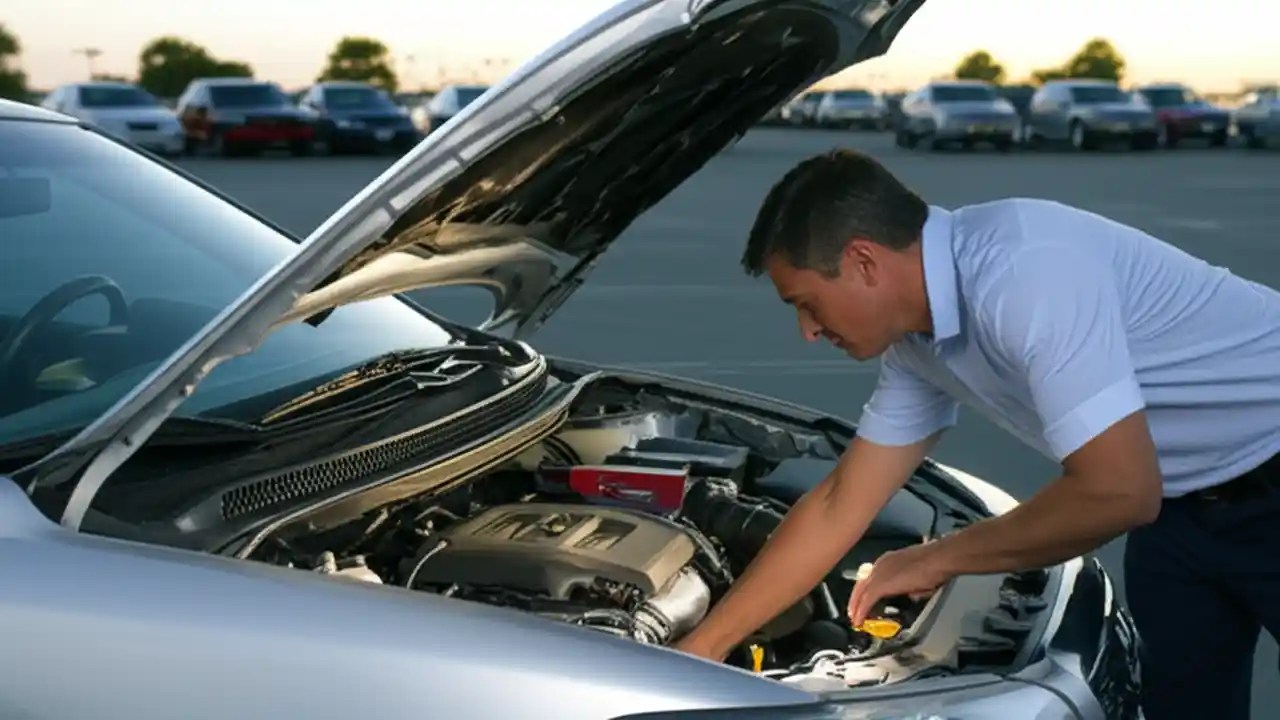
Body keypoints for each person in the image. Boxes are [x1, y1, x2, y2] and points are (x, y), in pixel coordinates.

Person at [672, 148, 1280, 720]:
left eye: (806, 303)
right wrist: (700, 651)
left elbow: (1120, 491)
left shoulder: (1025, 273)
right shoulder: (916, 343)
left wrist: (939, 559)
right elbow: (838, 505)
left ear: (863, 261)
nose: (807, 330)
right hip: (1182, 514)